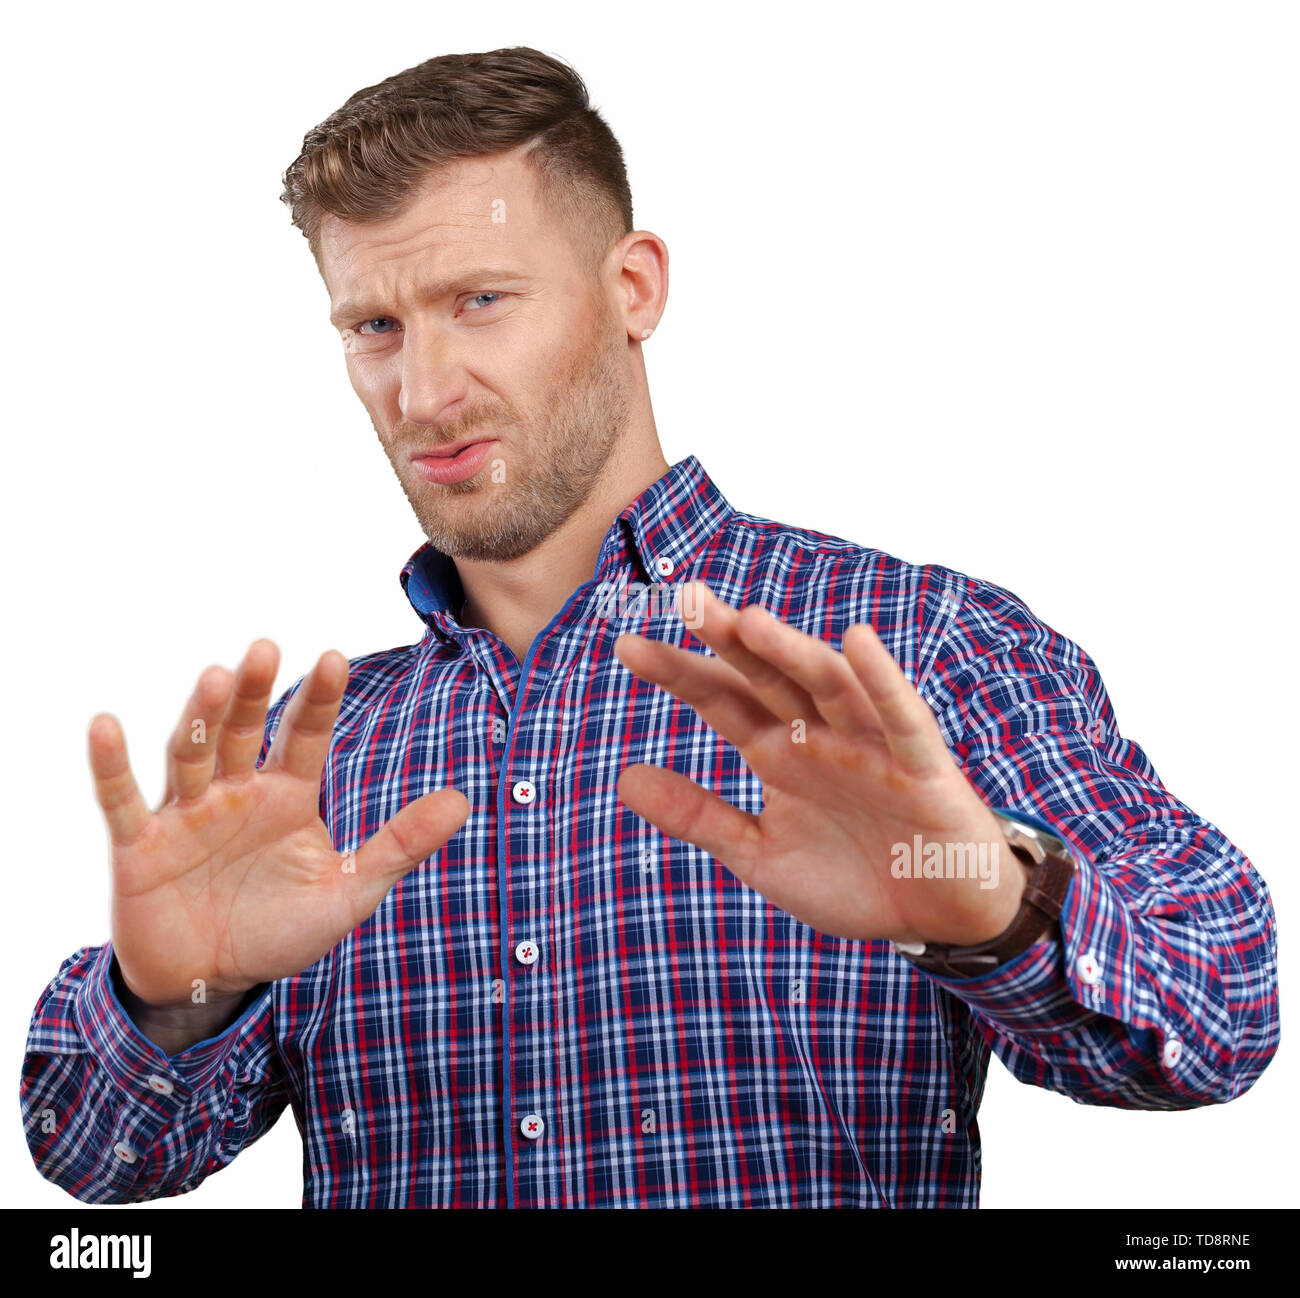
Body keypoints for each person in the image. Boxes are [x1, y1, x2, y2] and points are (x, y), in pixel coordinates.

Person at [21, 46, 1278, 1209]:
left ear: (632, 288)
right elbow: (89, 1151)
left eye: (481, 299)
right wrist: (176, 998)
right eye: (375, 326)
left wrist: (993, 904)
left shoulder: (909, 651)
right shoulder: (309, 766)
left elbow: (1223, 1008)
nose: (423, 389)